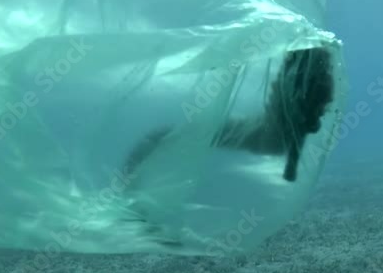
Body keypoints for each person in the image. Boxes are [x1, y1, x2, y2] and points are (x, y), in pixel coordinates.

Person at [125, 47, 335, 182]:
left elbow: (303, 124)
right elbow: (305, 124)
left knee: (175, 135)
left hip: (266, 138)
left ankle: (130, 175)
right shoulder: (309, 84)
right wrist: (292, 166)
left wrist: (292, 165)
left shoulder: (306, 88)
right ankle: (133, 172)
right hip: (264, 133)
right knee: (178, 134)